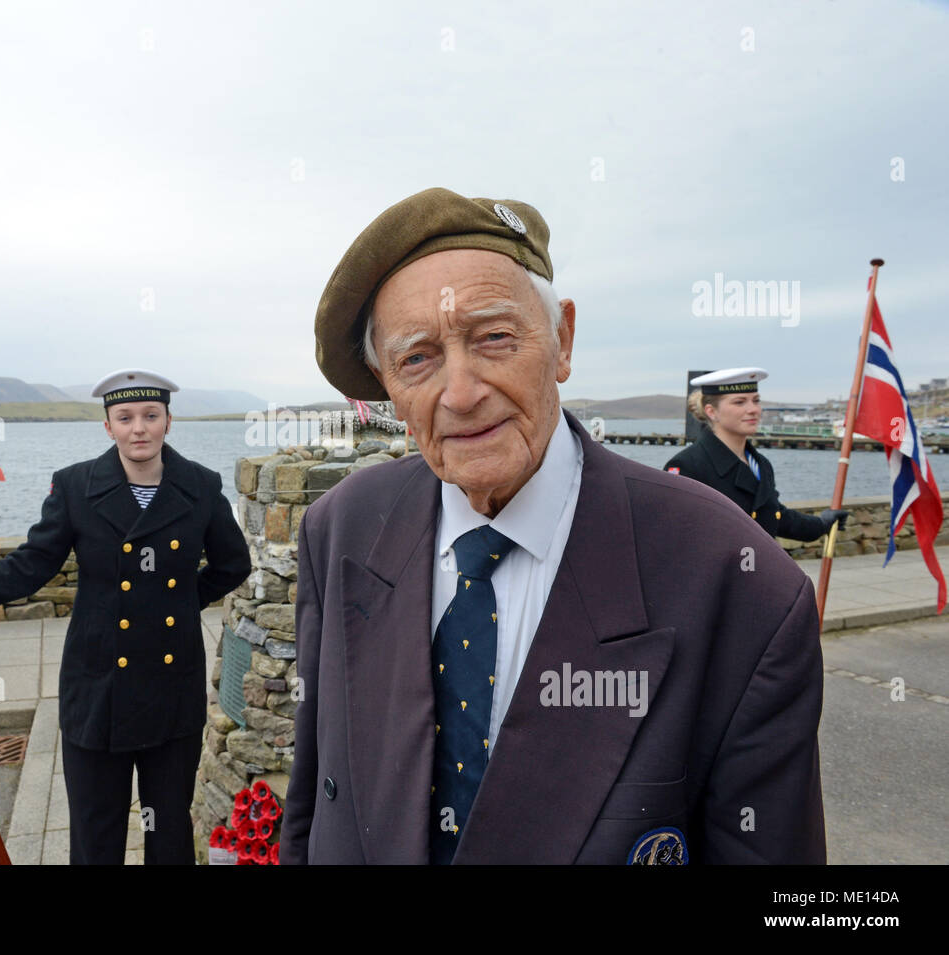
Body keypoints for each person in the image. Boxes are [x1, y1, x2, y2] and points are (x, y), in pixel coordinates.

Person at [279, 188, 826, 864]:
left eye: (494, 338)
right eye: (417, 357)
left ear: (562, 340)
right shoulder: (343, 527)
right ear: (385, 383)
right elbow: (312, 799)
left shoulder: (737, 581)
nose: (460, 392)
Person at [0, 369, 251, 864]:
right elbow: (25, 569)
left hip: (171, 688)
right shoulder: (75, 487)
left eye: (149, 416)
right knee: (96, 837)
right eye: (125, 418)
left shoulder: (200, 486)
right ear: (108, 427)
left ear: (167, 421)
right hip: (97, 688)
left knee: (169, 835)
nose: (138, 428)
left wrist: (179, 601)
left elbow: (233, 564)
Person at [663, 368, 849, 543]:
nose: (753, 409)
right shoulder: (688, 466)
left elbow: (775, 516)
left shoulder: (759, 464)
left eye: (756, 400)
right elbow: (674, 536)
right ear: (712, 412)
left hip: (758, 574)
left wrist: (822, 524)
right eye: (740, 402)